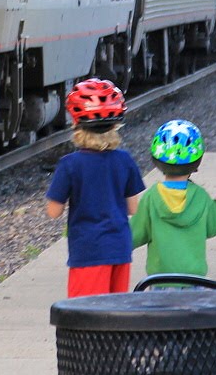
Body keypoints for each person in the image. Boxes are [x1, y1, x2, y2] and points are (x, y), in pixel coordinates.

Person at [46, 78, 146, 297]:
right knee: (115, 314)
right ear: (115, 124)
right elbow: (133, 208)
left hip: (88, 251)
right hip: (120, 249)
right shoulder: (125, 160)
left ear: (75, 123)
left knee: (86, 316)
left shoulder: (70, 165)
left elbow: (54, 212)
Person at [131, 119, 216, 278]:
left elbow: (136, 234)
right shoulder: (201, 196)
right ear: (196, 161)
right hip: (194, 279)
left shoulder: (151, 197)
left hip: (160, 279)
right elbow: (213, 228)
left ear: (157, 162)